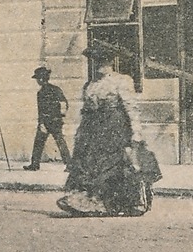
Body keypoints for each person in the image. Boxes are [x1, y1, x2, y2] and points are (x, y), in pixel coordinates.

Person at [59, 44, 158, 217]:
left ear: (112, 62)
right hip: (92, 130)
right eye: (96, 61)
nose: (100, 65)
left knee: (112, 165)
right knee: (88, 163)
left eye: (104, 61)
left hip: (114, 129)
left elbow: (131, 107)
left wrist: (136, 131)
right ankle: (87, 200)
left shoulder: (122, 80)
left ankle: (109, 202)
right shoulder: (90, 85)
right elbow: (86, 111)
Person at [26, 65, 71, 170]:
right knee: (60, 142)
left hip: (46, 121)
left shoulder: (41, 93)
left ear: (41, 79)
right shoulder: (56, 89)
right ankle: (70, 164)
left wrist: (41, 123)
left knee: (39, 143)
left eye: (37, 79)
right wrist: (62, 115)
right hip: (56, 120)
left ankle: (35, 164)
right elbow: (64, 103)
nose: (37, 81)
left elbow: (41, 110)